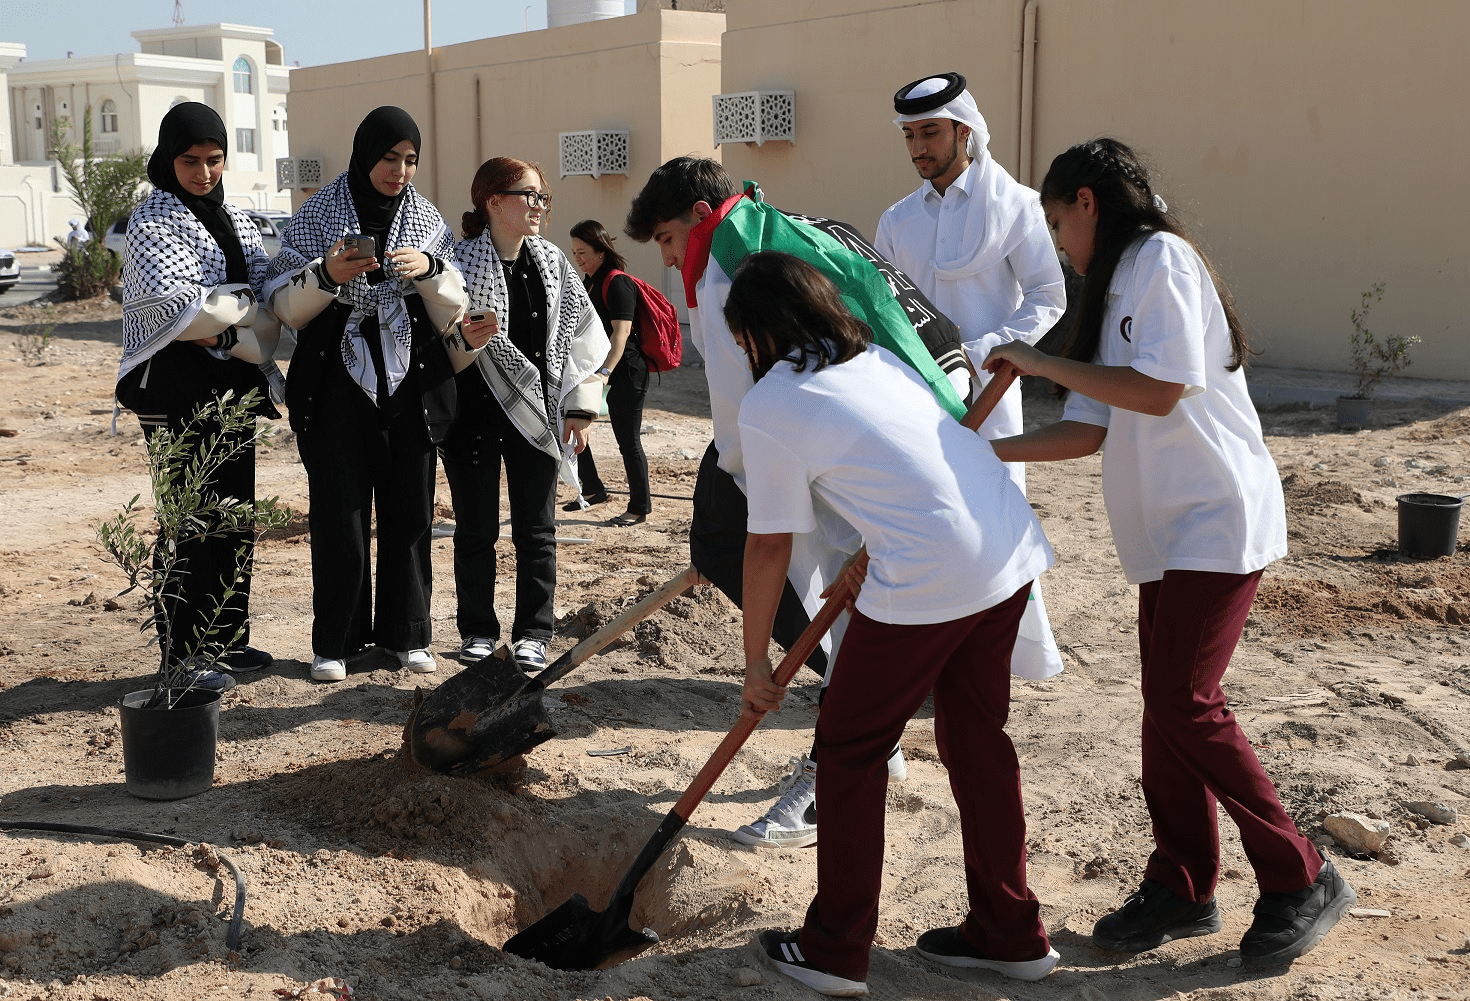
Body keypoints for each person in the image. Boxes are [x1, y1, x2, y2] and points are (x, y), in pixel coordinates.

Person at [984, 138, 1355, 968]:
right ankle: (1185, 882)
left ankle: (1302, 874)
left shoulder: (1162, 261)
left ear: (1087, 202)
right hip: (1164, 537)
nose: (1057, 245)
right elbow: (1090, 425)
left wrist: (1040, 358)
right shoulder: (1112, 285)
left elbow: (1162, 389)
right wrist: (987, 453)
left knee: (1188, 702)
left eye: (1056, 223)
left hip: (1217, 519)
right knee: (1167, 707)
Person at [728, 252, 1060, 995]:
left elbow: (767, 543)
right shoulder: (876, 358)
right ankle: (1011, 933)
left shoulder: (772, 402)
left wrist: (756, 665)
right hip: (1003, 544)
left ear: (753, 333)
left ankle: (834, 949)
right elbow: (914, 465)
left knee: (848, 751)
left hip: (929, 570)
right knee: (977, 739)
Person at [625, 156, 965, 850]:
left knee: (847, 609)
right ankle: (874, 740)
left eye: (665, 239)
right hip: (895, 434)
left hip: (845, 465)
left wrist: (751, 504)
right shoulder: (785, 227)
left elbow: (742, 415)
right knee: (846, 609)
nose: (666, 257)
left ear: (697, 213)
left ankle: (835, 771)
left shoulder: (729, 265)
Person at [266, 106, 475, 684]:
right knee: (340, 510)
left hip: (408, 380)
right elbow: (280, 301)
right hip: (334, 381)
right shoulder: (317, 215)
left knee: (410, 508)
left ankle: (408, 635)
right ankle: (336, 639)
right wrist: (329, 274)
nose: (399, 171)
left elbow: (452, 302)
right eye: (389, 158)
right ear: (363, 155)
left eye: (410, 160)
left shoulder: (427, 219)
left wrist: (430, 268)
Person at [876, 71, 1067, 681]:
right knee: (925, 517)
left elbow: (1047, 295)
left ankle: (1007, 659)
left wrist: (988, 349)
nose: (917, 149)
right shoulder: (897, 221)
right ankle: (930, 660)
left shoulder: (1017, 207)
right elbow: (883, 309)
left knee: (996, 517)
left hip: (991, 393)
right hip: (916, 398)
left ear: (965, 130)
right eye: (909, 136)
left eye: (929, 133)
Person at [115, 102, 286, 691]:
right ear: (167, 159)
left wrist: (234, 314)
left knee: (234, 516)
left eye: (214, 160)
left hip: (232, 388)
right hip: (174, 391)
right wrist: (239, 324)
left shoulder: (231, 218)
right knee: (189, 518)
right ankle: (185, 654)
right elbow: (177, 307)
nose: (203, 172)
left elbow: (263, 289)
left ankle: (228, 640)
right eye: (190, 160)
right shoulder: (151, 222)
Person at [446, 158, 609, 673]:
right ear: (493, 202)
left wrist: (581, 409)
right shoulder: (455, 261)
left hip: (536, 412)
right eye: (529, 196)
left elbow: (583, 338)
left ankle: (534, 633)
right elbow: (434, 337)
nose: (539, 206)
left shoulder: (554, 261)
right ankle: (477, 630)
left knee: (536, 530)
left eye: (544, 198)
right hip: (472, 413)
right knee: (475, 528)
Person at [565, 219, 651, 526]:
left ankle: (639, 507)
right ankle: (593, 490)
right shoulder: (589, 281)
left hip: (625, 371)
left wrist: (604, 374)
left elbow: (621, 334)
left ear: (601, 250)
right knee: (574, 423)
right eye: (574, 252)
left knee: (628, 441)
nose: (578, 258)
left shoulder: (617, 283)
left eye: (583, 251)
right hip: (598, 371)